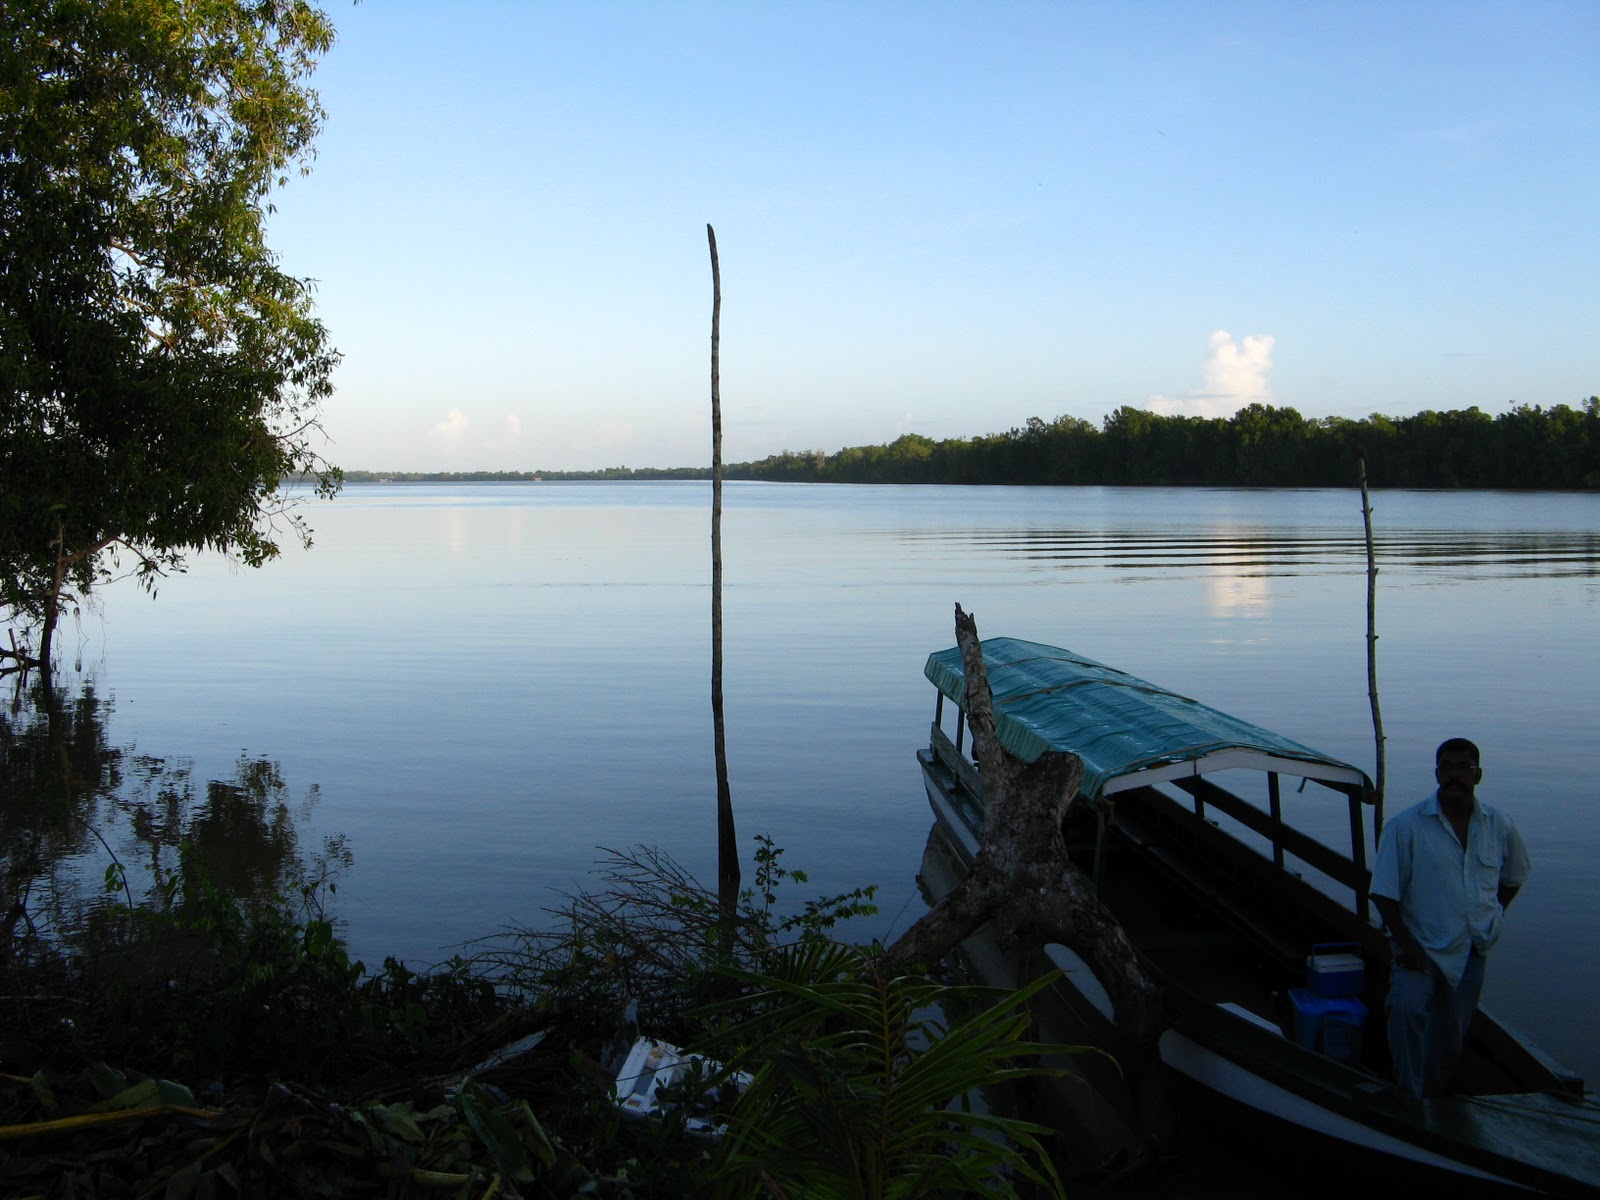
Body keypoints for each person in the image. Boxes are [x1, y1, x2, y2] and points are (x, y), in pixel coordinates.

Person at [1370, 738, 1531, 1102]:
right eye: (1447, 767)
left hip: (1473, 947)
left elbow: (1514, 877)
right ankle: (1408, 1095)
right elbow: (1383, 891)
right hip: (1420, 946)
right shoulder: (1406, 826)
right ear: (1437, 773)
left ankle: (1434, 1096)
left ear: (1478, 774)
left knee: (1450, 1033)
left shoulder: (1499, 825)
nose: (1455, 775)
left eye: (1463, 767)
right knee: (1406, 1011)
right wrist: (1406, 945)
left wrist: (1493, 916)